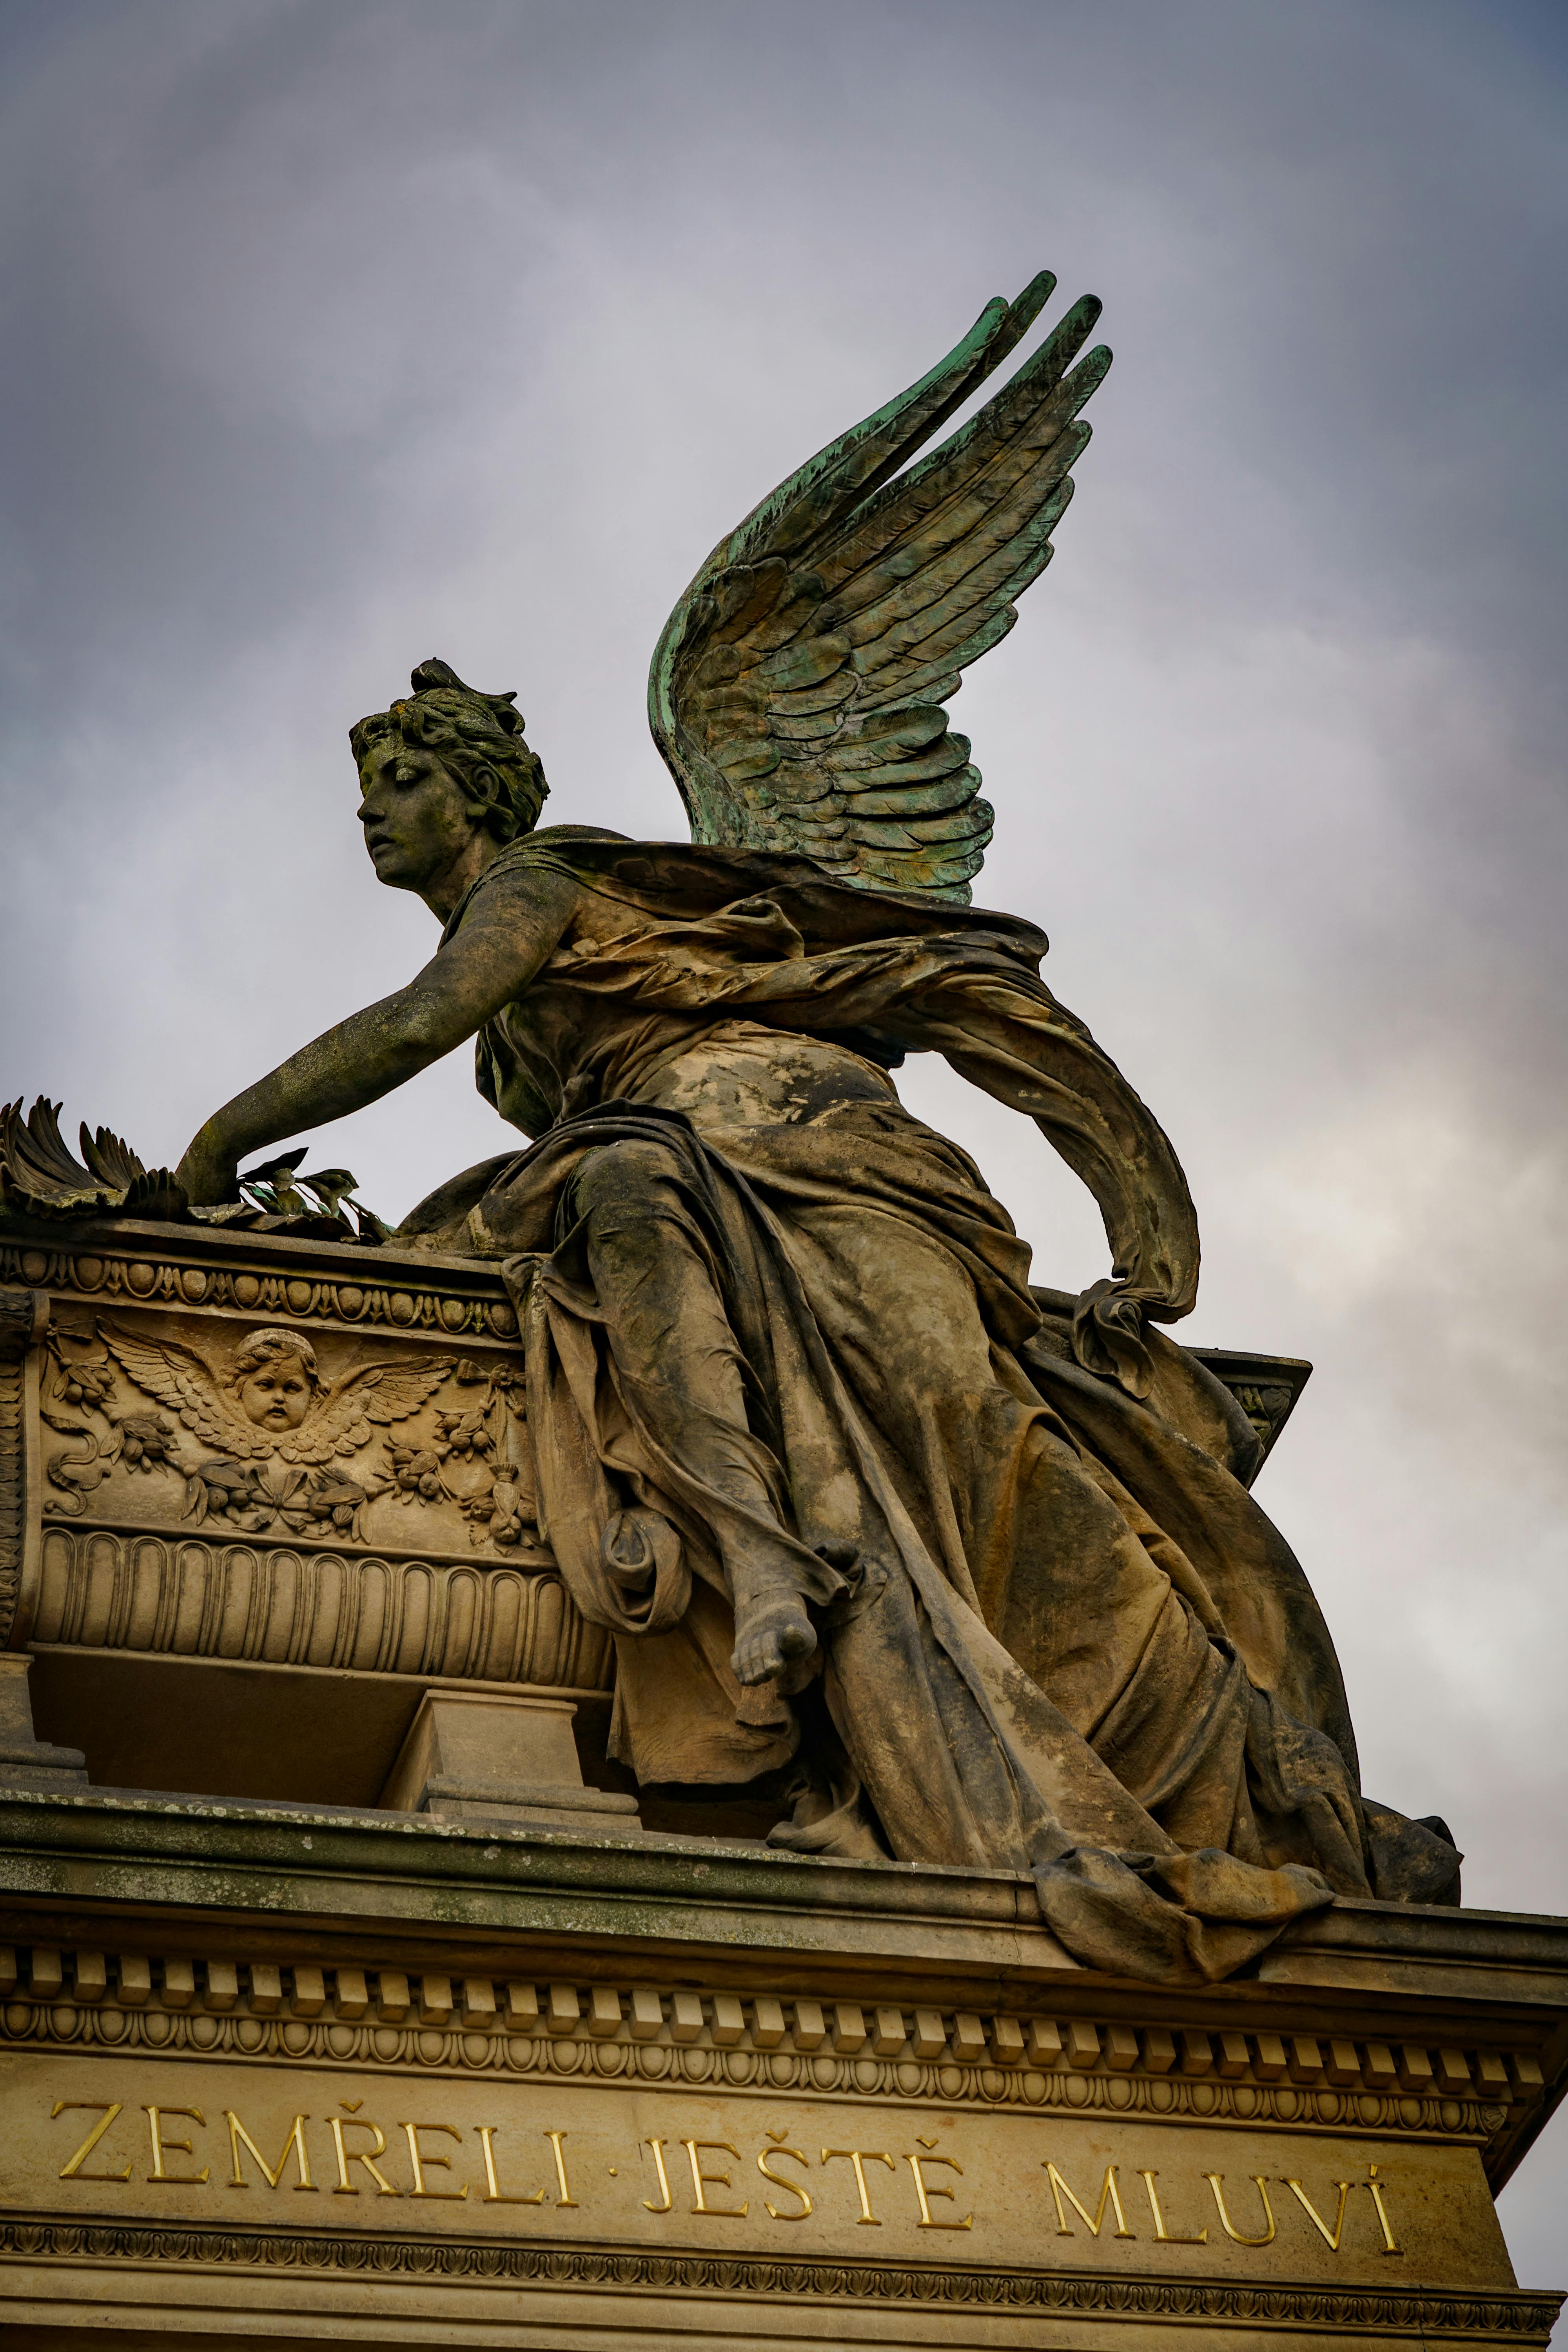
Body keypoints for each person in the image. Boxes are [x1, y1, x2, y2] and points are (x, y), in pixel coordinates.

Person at [176, 661, 1460, 1981]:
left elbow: (415, 1023)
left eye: (403, 781)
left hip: (818, 1148)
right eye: (368, 790)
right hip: (670, 1175)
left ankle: (1220, 1765)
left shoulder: (539, 883)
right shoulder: (545, 1050)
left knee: (974, 1427)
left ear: (480, 794)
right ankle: (764, 1554)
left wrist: (219, 1145)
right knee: (628, 1194)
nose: (373, 812)